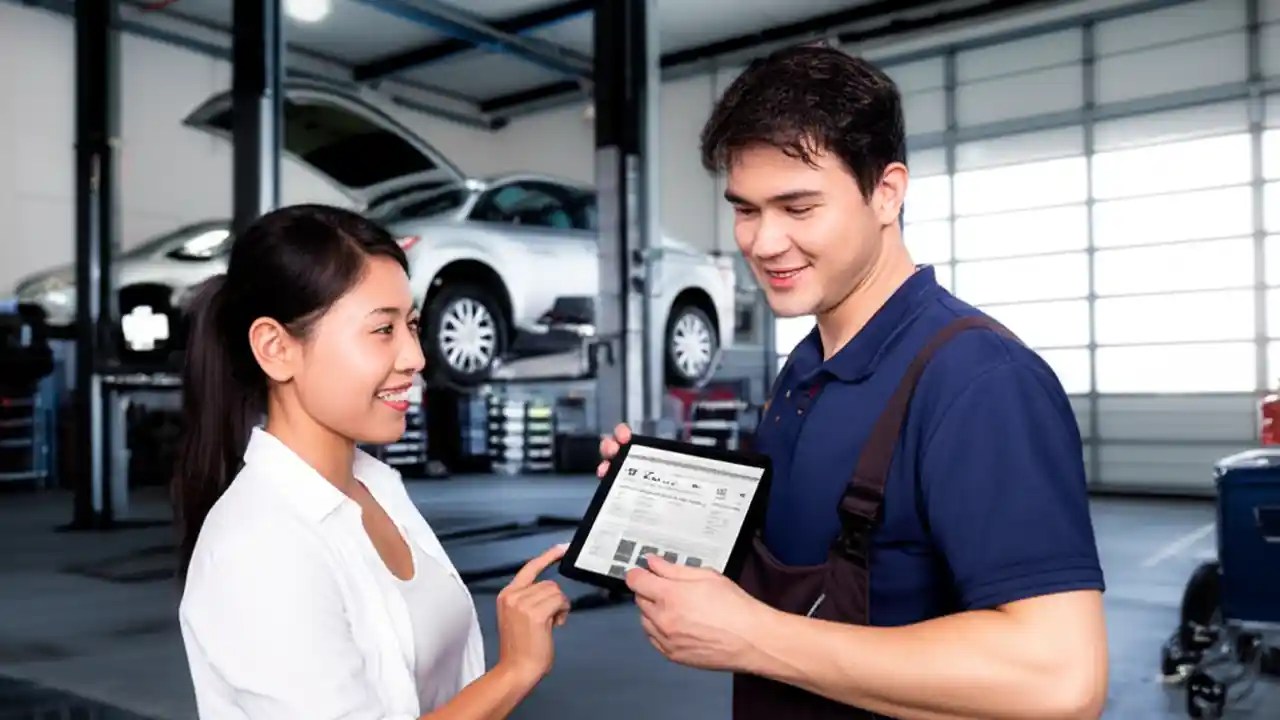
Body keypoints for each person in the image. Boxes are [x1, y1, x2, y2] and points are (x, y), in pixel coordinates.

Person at [599, 45, 1109, 719]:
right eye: (746, 209)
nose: (763, 241)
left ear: (886, 193)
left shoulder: (979, 382)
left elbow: (1060, 679)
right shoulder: (804, 368)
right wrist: (665, 510)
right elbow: (812, 543)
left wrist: (752, 636)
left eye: (798, 208)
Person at [174, 204, 571, 720]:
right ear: (276, 348)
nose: (415, 357)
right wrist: (514, 670)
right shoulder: (259, 545)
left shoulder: (373, 488)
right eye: (383, 330)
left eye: (411, 325)